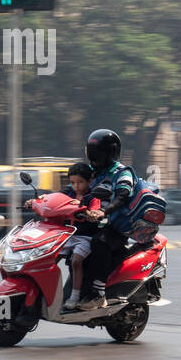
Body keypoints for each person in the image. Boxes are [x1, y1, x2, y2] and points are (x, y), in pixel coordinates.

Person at [78, 128, 136, 310]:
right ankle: (75, 291)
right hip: (93, 222)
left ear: (109, 153)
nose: (93, 156)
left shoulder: (122, 172)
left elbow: (122, 196)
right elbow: (73, 189)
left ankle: (98, 294)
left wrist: (105, 211)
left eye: (98, 152)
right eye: (91, 151)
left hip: (116, 227)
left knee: (99, 242)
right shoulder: (91, 172)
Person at [59, 161, 101, 309]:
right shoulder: (68, 193)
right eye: (72, 182)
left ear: (89, 181)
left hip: (85, 237)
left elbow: (95, 210)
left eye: (80, 182)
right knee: (48, 257)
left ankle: (74, 297)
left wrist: (91, 213)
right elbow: (53, 198)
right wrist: (37, 200)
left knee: (76, 262)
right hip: (67, 235)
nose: (76, 186)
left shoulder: (93, 196)